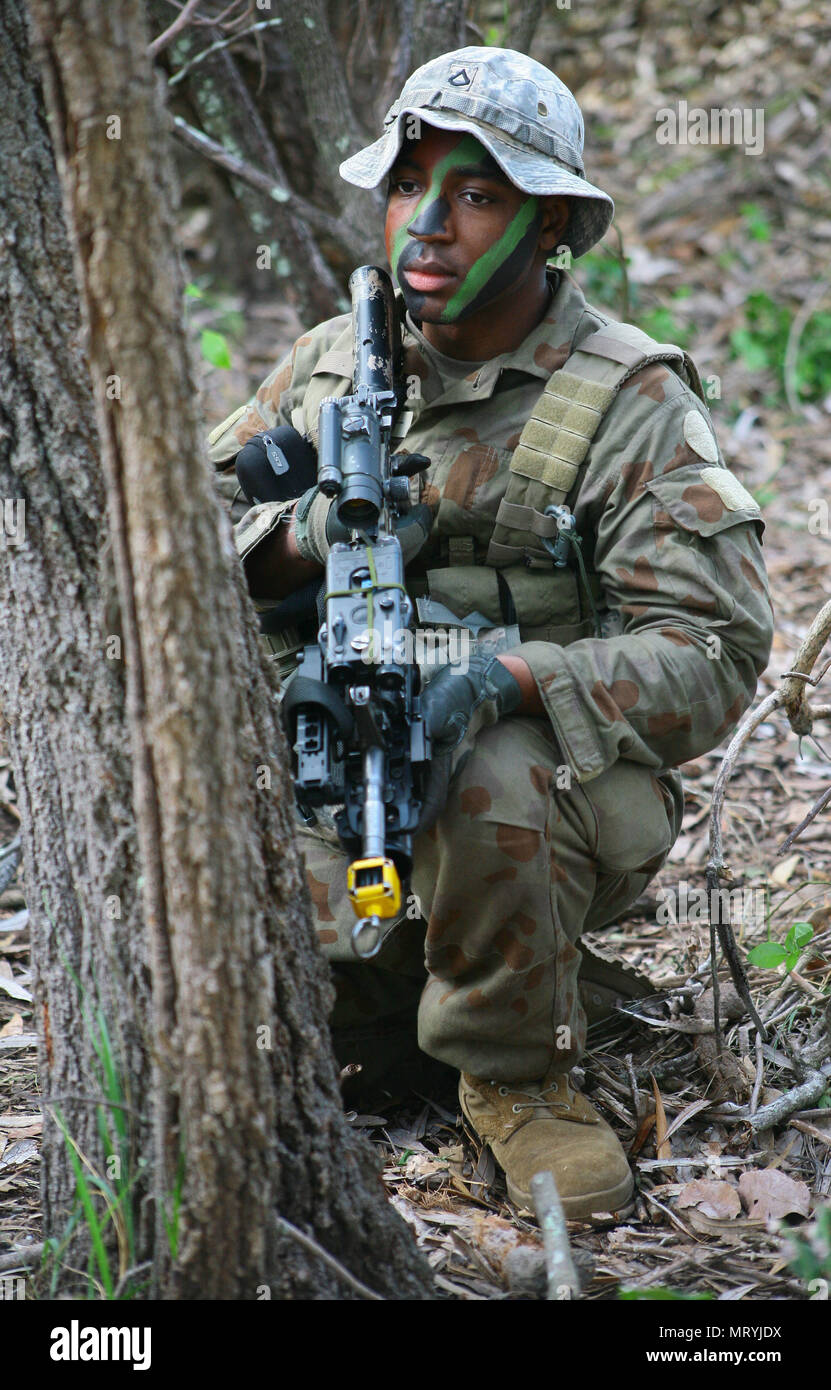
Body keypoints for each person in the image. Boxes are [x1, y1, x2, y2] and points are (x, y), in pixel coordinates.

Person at [208, 47, 774, 1218]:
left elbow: (714, 649)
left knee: (492, 761)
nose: (428, 226)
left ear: (552, 223)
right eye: (411, 186)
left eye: (476, 196)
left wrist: (510, 676)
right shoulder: (326, 366)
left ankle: (517, 1075)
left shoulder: (623, 399)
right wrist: (297, 540)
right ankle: (377, 1007)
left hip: (529, 794)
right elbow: (173, 546)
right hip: (329, 767)